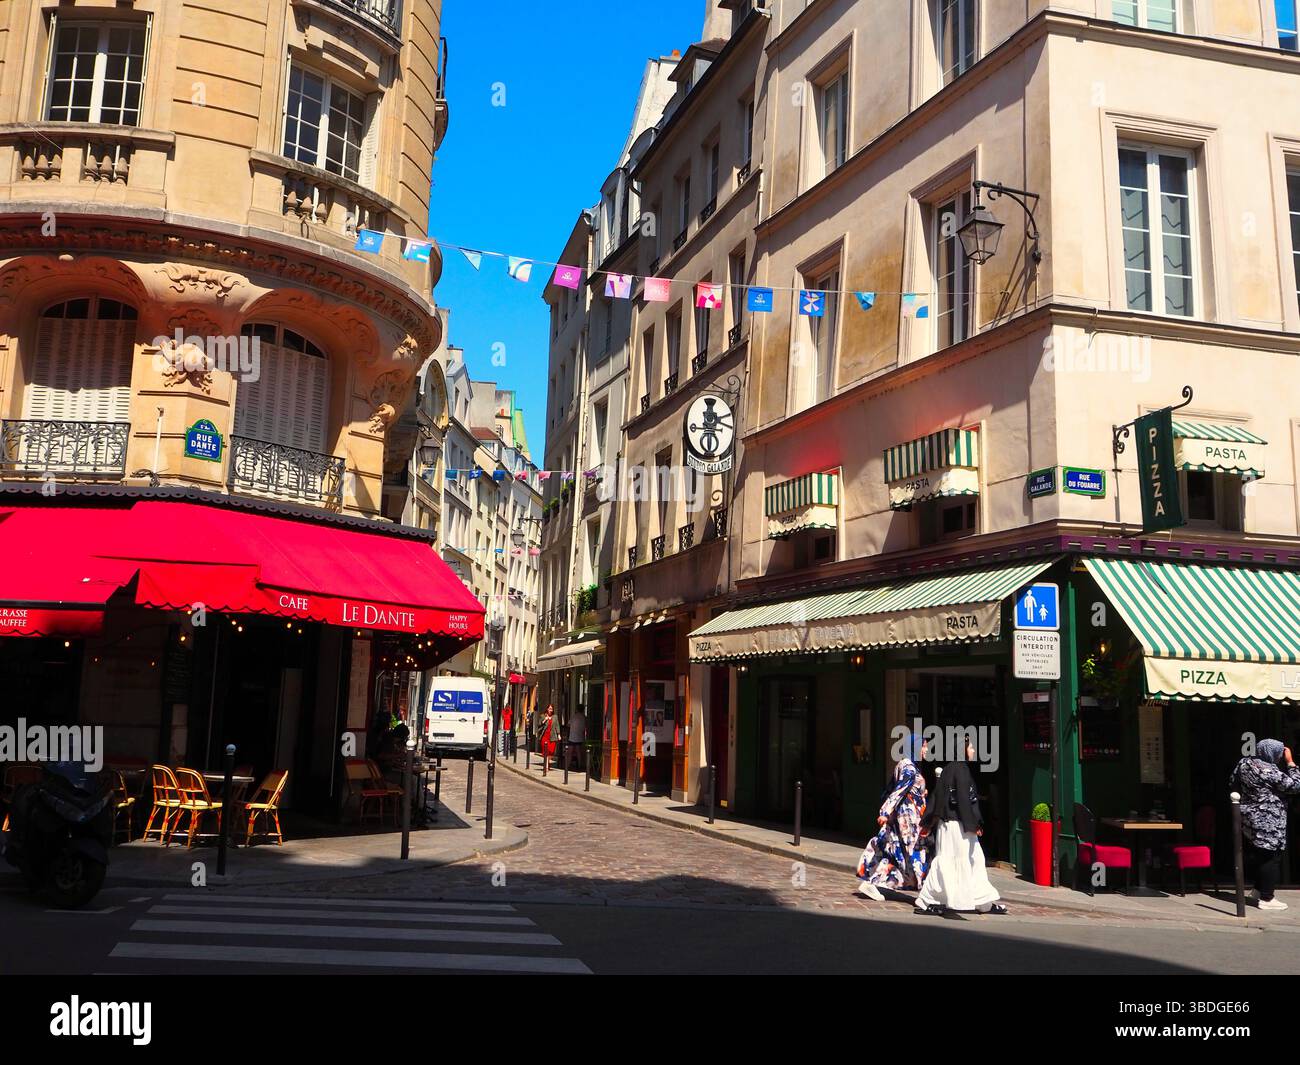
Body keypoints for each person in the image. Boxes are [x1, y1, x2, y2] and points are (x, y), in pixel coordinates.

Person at [914, 737, 1007, 915]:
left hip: (947, 826)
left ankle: (982, 902)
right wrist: (973, 824)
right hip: (959, 827)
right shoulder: (962, 770)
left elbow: (936, 796)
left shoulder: (949, 769)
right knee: (968, 862)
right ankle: (929, 901)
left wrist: (929, 821)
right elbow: (965, 800)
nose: (972, 750)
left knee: (955, 862)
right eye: (970, 747)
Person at [856, 735, 929, 900]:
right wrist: (885, 812)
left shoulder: (906, 765)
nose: (926, 750)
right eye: (923, 746)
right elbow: (897, 792)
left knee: (898, 856)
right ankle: (926, 894)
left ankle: (873, 882)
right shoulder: (909, 768)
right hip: (908, 821)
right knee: (915, 854)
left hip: (906, 817)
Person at [1230, 738, 1300, 910]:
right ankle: (1267, 898)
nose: (1279, 758)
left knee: (1262, 853)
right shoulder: (1270, 771)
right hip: (1268, 818)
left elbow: (1233, 782)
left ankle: (1258, 890)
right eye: (1278, 754)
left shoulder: (1244, 763)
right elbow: (1296, 786)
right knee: (1271, 856)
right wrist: (1291, 763)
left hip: (1249, 816)